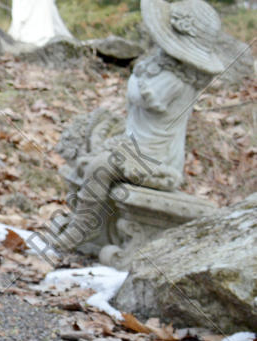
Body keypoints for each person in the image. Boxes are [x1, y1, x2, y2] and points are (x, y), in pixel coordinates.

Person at [56, 0, 226, 255]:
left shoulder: (174, 80)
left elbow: (139, 95)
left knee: (99, 167)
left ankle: (83, 227)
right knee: (87, 150)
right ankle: (90, 228)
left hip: (152, 159)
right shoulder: (162, 69)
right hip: (132, 147)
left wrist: (138, 75)